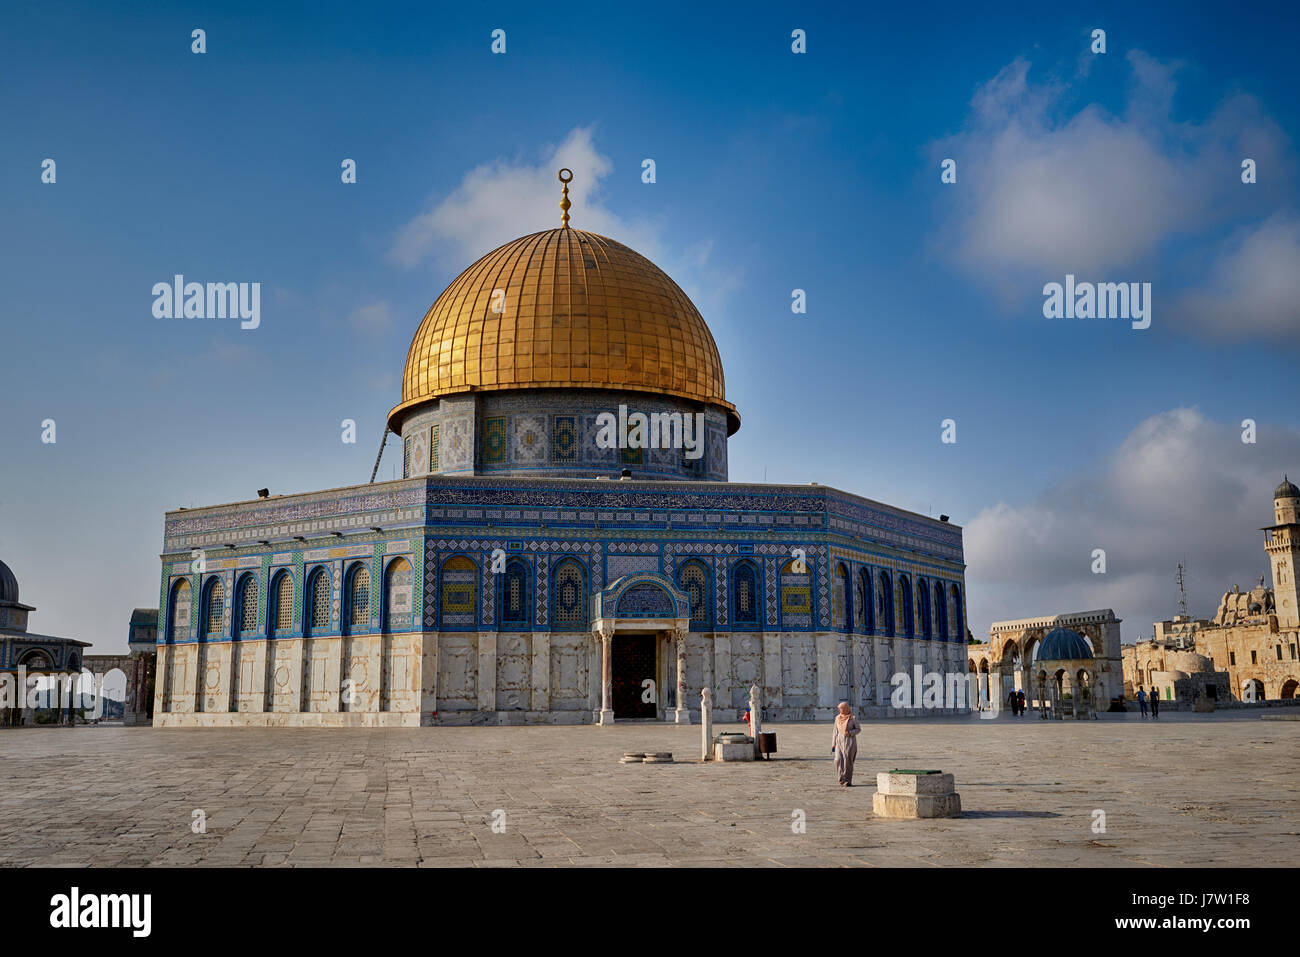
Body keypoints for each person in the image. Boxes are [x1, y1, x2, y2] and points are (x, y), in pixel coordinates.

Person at [831, 701, 860, 787]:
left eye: (841, 708)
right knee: (838, 759)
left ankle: (847, 780)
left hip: (850, 741)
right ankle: (841, 778)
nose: (840, 710)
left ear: (846, 709)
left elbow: (858, 729)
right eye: (839, 709)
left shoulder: (853, 718)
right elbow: (835, 731)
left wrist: (850, 733)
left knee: (848, 760)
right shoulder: (837, 718)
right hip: (839, 740)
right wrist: (833, 744)